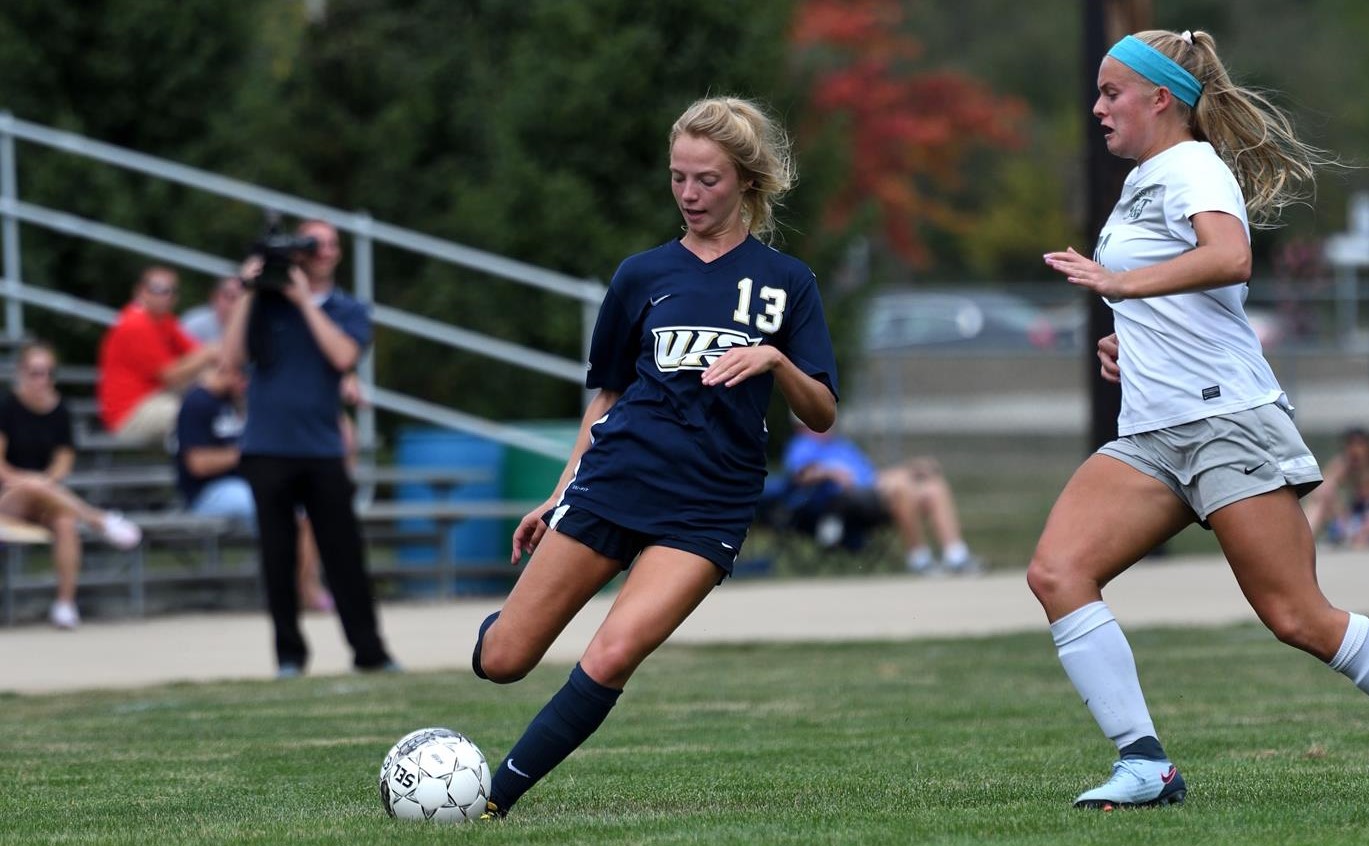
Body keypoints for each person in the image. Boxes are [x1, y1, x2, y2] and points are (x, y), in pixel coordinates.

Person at [1029, 29, 1369, 808]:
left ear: (1161, 99)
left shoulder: (1191, 165)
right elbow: (1188, 294)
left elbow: (1230, 258)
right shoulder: (1148, 177)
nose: (1097, 107)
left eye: (1111, 92)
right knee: (1057, 572)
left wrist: (1120, 281)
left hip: (1226, 426)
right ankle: (1146, 763)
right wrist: (1132, 338)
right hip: (1154, 432)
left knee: (1298, 618)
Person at [470, 96, 838, 820]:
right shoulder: (641, 275)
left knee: (610, 657)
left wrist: (775, 362)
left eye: (708, 180)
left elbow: (821, 413)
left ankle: (490, 803)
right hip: (615, 480)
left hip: (708, 506)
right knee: (502, 661)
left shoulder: (787, 284)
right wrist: (556, 494)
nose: (691, 196)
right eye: (678, 179)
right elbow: (606, 396)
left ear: (747, 182)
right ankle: (509, 618)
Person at [221, 219, 397, 677]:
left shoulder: (348, 308)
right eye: (311, 244)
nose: (320, 251)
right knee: (276, 558)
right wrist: (247, 288)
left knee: (344, 554)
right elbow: (230, 361)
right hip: (267, 447)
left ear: (337, 253)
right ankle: (289, 656)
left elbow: (342, 356)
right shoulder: (263, 305)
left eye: (328, 244)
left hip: (321, 448)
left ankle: (370, 652)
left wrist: (303, 302)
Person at [0, 341, 142, 628]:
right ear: (21, 373)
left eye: (48, 373)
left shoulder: (60, 411)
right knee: (37, 489)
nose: (42, 380)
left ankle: (65, 604)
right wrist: (30, 481)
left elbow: (63, 462)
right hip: (8, 495)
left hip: (47, 497)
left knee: (65, 523)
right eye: (36, 372)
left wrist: (43, 482)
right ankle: (99, 520)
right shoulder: (6, 407)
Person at [174, 362, 333, 613]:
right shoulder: (198, 403)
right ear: (227, 371)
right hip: (208, 492)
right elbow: (198, 464)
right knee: (271, 506)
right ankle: (294, 592)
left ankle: (304, 586)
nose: (246, 388)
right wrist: (247, 453)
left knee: (306, 506)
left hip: (247, 483)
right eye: (243, 381)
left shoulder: (240, 401)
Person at [781, 422, 979, 574]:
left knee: (934, 486)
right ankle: (919, 558)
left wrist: (911, 469)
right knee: (902, 487)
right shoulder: (802, 445)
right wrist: (829, 472)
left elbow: (872, 476)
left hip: (878, 490)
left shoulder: (842, 445)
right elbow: (801, 476)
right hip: (846, 502)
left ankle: (956, 555)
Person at [98, 266, 216, 445]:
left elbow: (195, 353)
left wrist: (209, 360)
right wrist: (210, 354)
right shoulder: (136, 324)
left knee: (210, 396)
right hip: (129, 414)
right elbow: (172, 375)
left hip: (154, 400)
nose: (167, 296)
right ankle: (200, 467)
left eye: (172, 290)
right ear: (140, 291)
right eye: (159, 289)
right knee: (194, 412)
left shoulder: (163, 319)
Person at [1304, 427, 1369, 547]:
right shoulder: (1345, 462)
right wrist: (1341, 516)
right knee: (1318, 503)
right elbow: (1322, 491)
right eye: (1351, 444)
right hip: (1357, 515)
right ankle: (1301, 542)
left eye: (1360, 444)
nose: (1355, 450)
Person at [180, 275, 245, 344]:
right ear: (215, 296)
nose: (235, 305)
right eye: (230, 297)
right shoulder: (194, 323)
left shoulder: (248, 329)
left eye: (241, 300)